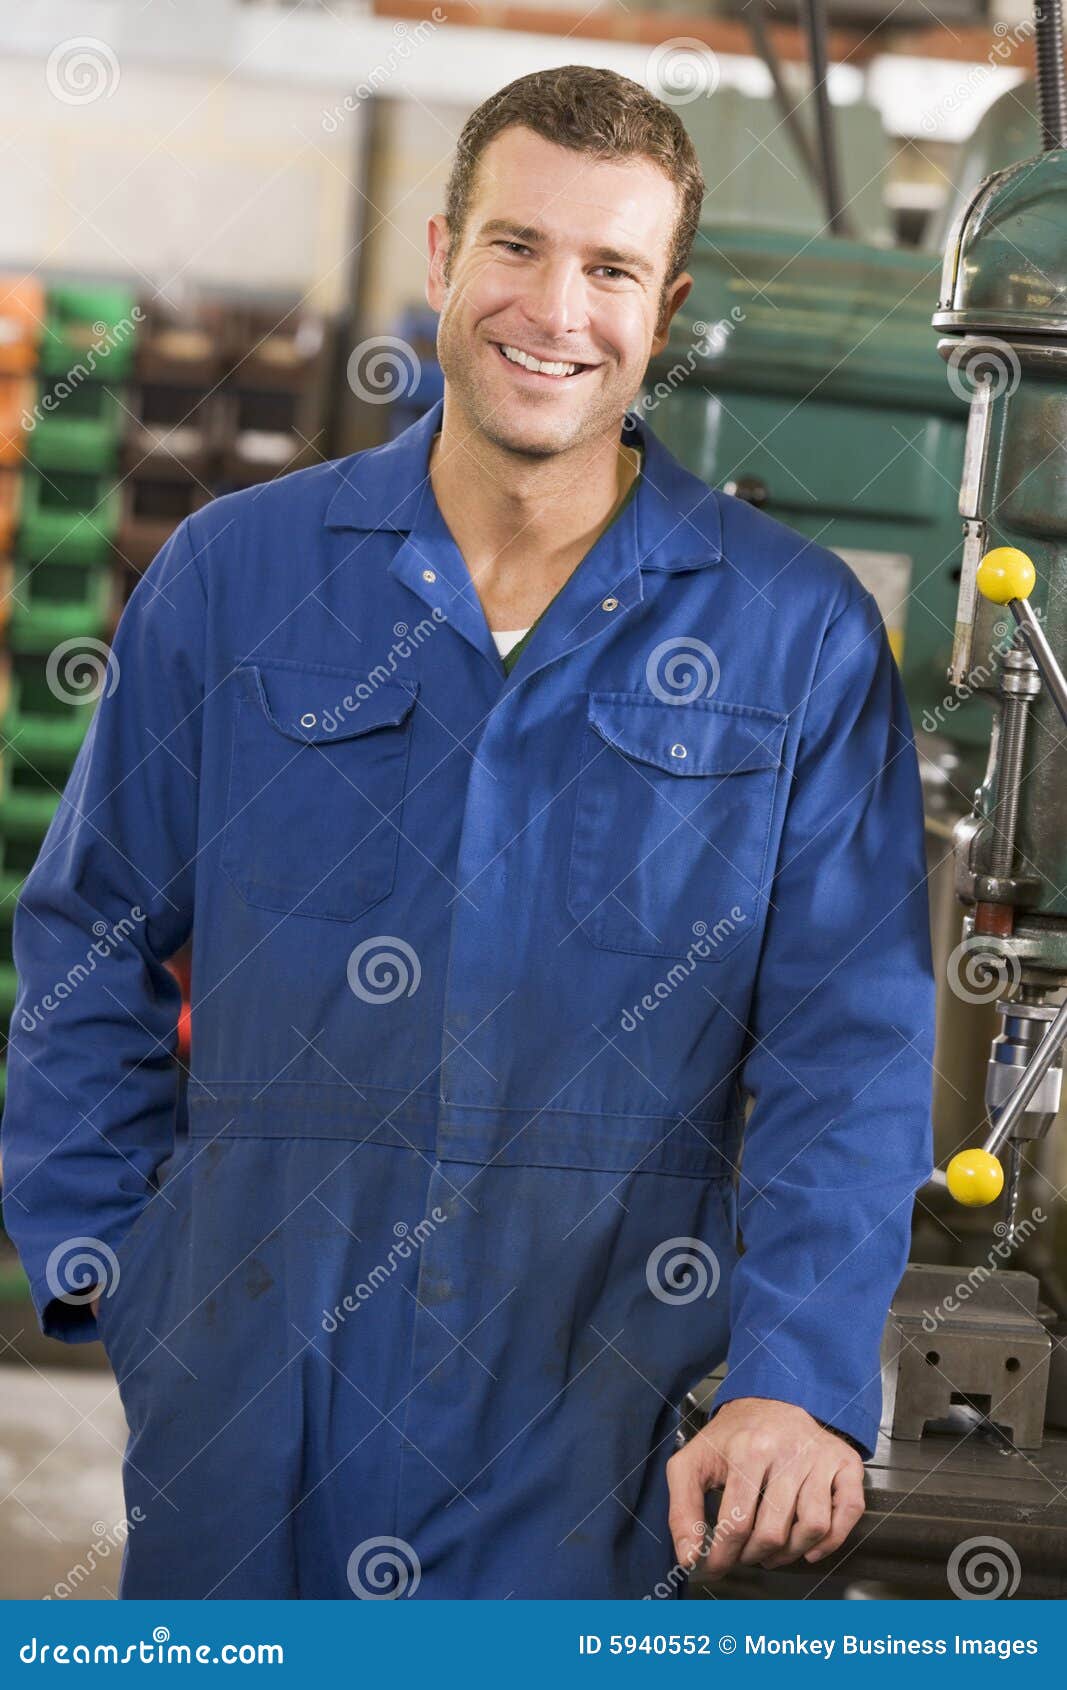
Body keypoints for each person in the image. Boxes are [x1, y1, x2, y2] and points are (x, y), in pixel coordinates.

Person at [1, 64, 934, 1599]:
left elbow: (855, 1044)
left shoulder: (797, 635)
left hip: (604, 1428)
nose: (555, 309)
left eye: (611, 268)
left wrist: (798, 1374)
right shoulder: (239, 576)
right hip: (253, 1410)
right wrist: (124, 1268)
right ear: (443, 257)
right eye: (517, 245)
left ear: (665, 307)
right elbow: (87, 935)